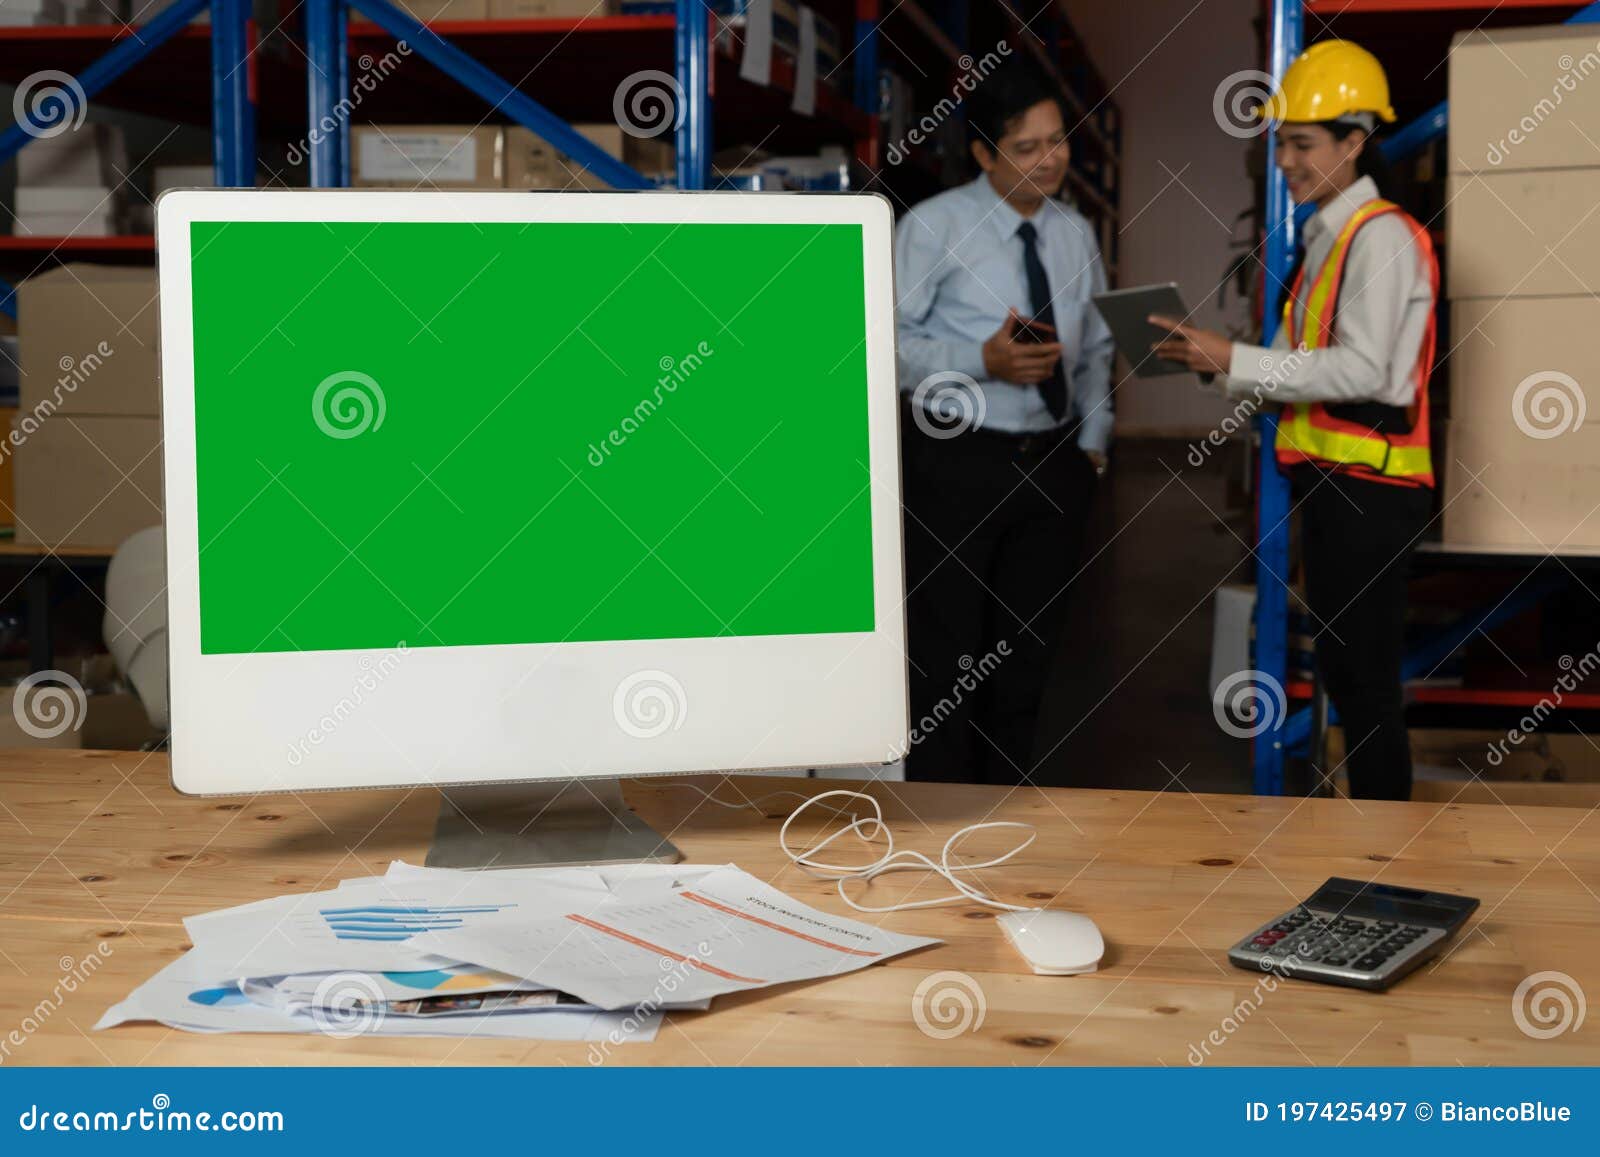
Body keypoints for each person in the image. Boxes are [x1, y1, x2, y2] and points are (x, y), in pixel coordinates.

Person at [1150, 40, 1437, 801]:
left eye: (1302, 144)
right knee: (1347, 672)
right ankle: (1371, 836)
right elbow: (1289, 370)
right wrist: (1211, 363)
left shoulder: (1381, 237)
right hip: (1336, 486)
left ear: (1354, 141)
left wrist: (1235, 357)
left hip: (1374, 488)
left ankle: (1386, 846)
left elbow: (1364, 371)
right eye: (1281, 144)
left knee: (1366, 683)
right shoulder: (1326, 241)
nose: (1285, 162)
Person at [893, 58, 1115, 785]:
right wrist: (979, 360)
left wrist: (1092, 445)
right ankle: (939, 811)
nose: (1051, 160)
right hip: (958, 464)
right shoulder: (933, 227)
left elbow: (1097, 348)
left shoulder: (1076, 233)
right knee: (946, 650)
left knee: (1028, 652)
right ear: (984, 154)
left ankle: (1005, 807)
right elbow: (884, 345)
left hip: (1054, 463)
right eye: (1027, 148)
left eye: (1058, 140)